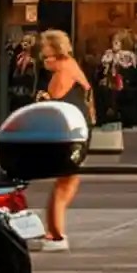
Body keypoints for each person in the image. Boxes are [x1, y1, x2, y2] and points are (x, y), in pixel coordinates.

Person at [35, 29, 94, 253]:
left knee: (64, 184)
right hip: (75, 130)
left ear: (57, 52)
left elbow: (54, 101)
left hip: (72, 133)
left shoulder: (64, 71)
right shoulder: (69, 66)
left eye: (47, 54)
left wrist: (43, 98)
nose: (44, 58)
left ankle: (57, 236)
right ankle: (53, 232)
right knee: (64, 182)